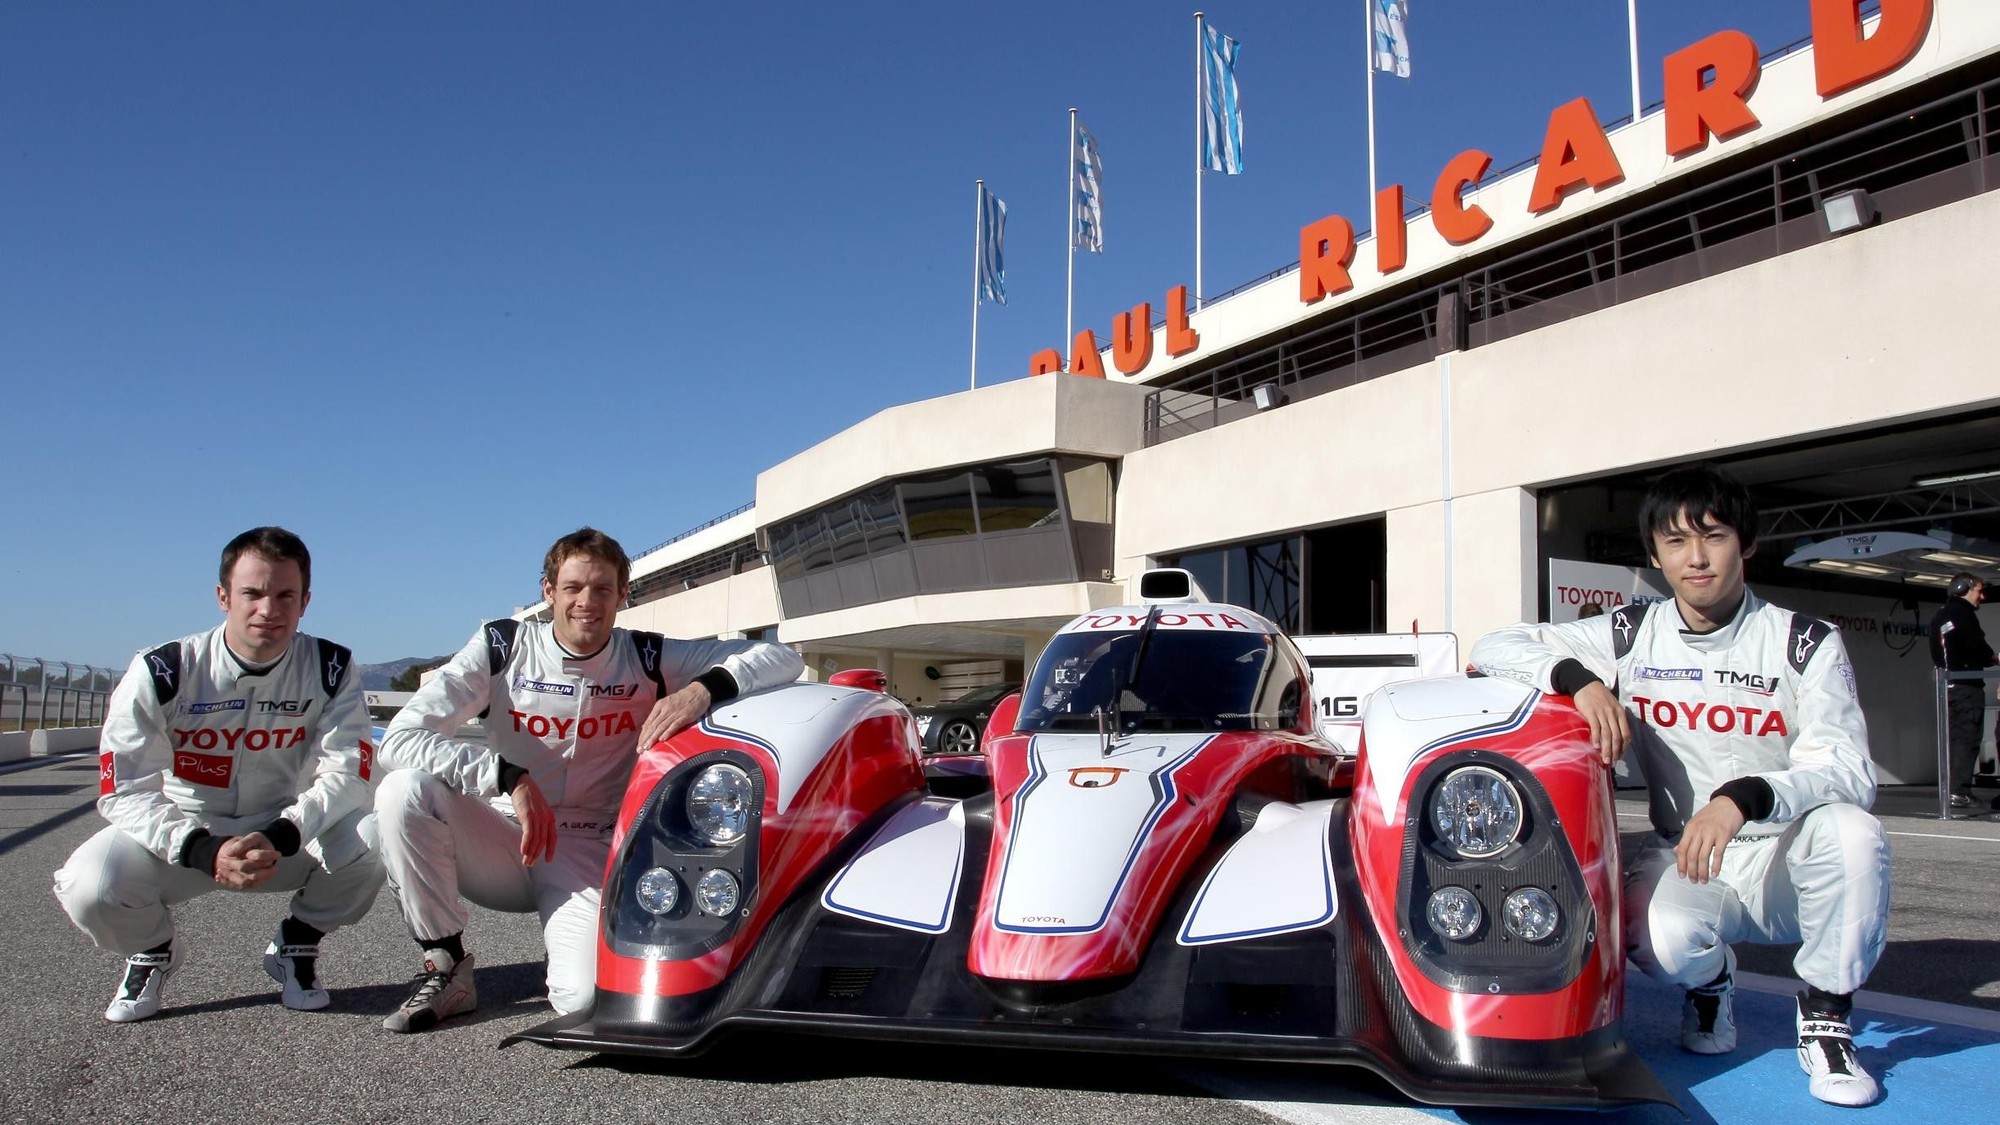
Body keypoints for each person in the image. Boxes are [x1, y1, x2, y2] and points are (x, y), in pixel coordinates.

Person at [1468, 465, 1890, 1107]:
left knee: (1854, 834)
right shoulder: (1634, 633)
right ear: (1655, 555)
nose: (1696, 558)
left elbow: (1849, 770)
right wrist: (1577, 679)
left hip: (1783, 855)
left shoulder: (1804, 642)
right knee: (1654, 937)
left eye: (1714, 536)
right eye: (1675, 541)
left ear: (1745, 544)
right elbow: (1496, 645)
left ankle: (1828, 1017)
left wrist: (1743, 798)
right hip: (1691, 859)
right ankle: (1712, 982)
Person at [372, 527, 803, 1032]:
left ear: (623, 595)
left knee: (583, 1002)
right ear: (548, 591)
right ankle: (447, 965)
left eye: (602, 590)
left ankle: (570, 957)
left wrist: (702, 691)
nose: (587, 603)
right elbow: (398, 739)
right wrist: (506, 776)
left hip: (587, 849)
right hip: (506, 835)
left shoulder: (645, 656)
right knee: (403, 791)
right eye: (573, 587)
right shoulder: (502, 646)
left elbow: (784, 656)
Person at [52, 528, 383, 1022]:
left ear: (305, 601)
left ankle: (297, 942)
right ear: (223, 596)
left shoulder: (330, 666)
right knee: (88, 885)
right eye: (252, 593)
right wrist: (200, 848)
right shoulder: (164, 669)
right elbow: (123, 788)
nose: (268, 609)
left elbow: (348, 772)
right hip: (182, 836)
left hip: (276, 835)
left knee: (376, 841)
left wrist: (288, 829)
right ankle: (153, 948)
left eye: (284, 595)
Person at [1928, 573, 1995, 811]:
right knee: (1967, 738)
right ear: (1965, 588)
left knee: (1953, 739)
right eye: (1979, 590)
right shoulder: (1963, 614)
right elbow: (1977, 647)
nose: (1982, 596)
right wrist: (1994, 658)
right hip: (1966, 687)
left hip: (1948, 687)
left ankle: (1952, 791)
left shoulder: (1941, 614)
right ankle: (1959, 791)